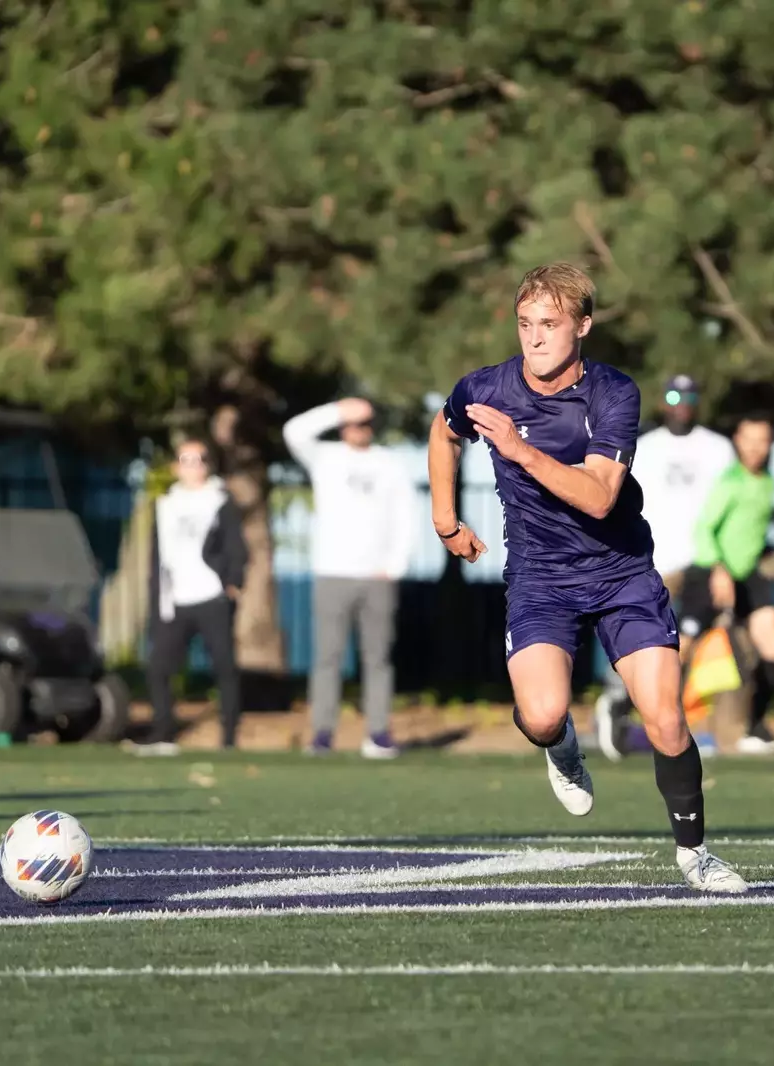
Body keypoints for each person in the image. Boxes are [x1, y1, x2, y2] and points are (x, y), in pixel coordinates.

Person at [427, 262, 746, 893]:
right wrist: (445, 520)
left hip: (620, 572)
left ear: (583, 326)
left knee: (664, 718)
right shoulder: (485, 388)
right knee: (542, 716)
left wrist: (521, 451)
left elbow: (601, 497)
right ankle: (562, 743)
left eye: (550, 323)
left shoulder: (613, 393)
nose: (535, 337)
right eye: (525, 324)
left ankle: (695, 853)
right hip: (541, 579)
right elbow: (444, 431)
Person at [595, 374, 734, 760]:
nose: (682, 402)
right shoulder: (644, 446)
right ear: (662, 401)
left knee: (690, 650)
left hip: (702, 564)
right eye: (674, 394)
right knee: (636, 642)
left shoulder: (719, 448)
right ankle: (617, 707)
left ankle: (684, 729)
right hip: (649, 560)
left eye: (690, 394)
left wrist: (721, 565)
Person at [283, 396, 417, 759]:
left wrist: (395, 565)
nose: (359, 429)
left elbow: (405, 513)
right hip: (333, 573)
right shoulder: (325, 457)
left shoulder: (389, 463)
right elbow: (293, 431)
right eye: (353, 423)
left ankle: (378, 733)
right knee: (327, 658)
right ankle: (322, 734)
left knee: (378, 658)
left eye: (364, 423)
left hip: (377, 578)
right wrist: (339, 409)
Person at [682, 413, 774, 754]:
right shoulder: (729, 482)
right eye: (749, 439)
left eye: (763, 440)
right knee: (681, 648)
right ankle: (639, 713)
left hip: (748, 576)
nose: (756, 447)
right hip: (711, 572)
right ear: (737, 441)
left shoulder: (767, 482)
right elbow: (703, 530)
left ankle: (754, 728)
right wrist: (718, 570)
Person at [142, 438, 249, 754]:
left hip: (210, 595)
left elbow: (236, 547)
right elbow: (157, 556)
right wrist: (157, 593)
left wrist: (233, 581)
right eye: (185, 459)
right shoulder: (165, 505)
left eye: (199, 459)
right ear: (176, 467)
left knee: (224, 667)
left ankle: (228, 737)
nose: (193, 466)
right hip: (175, 599)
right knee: (159, 667)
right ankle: (163, 733)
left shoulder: (220, 501)